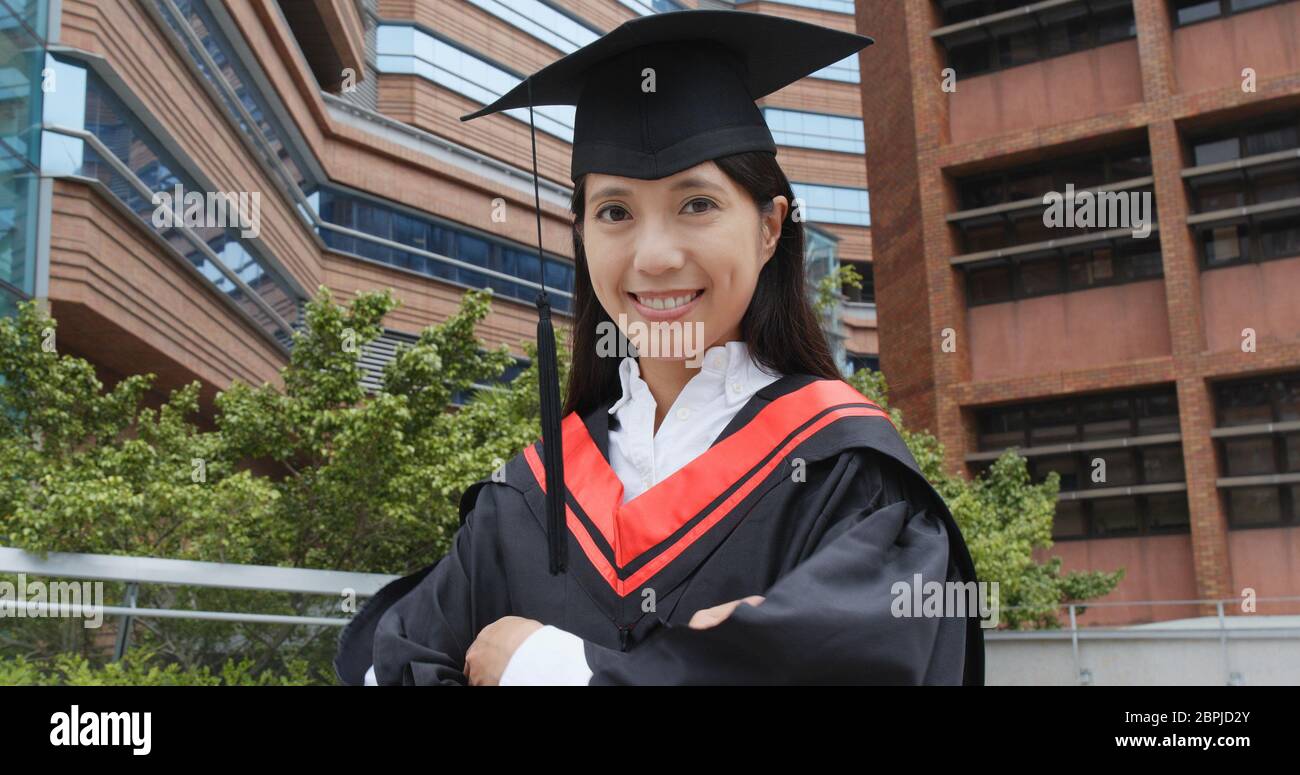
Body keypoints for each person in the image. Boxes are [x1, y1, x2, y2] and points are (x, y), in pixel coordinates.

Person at [333, 9, 985, 686]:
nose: (654, 255)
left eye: (695, 204)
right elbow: (396, 661)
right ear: (581, 234)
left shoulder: (848, 478)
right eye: (614, 212)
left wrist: (546, 667)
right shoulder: (525, 500)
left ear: (769, 228)